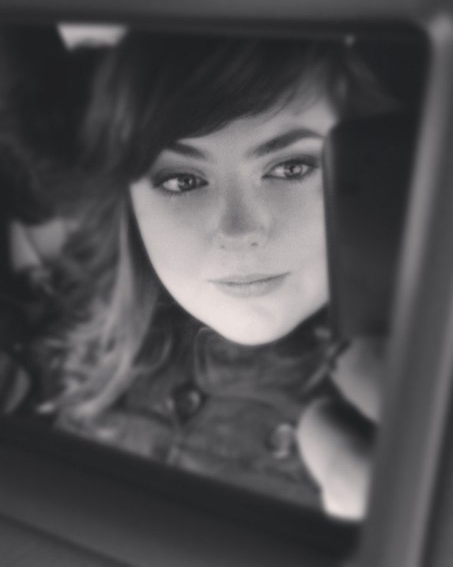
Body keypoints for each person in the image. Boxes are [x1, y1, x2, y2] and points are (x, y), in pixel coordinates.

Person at [26, 31, 394, 517]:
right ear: (128, 202)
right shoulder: (80, 323)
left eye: (290, 168)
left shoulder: (416, 400)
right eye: (183, 180)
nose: (239, 231)